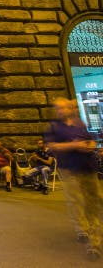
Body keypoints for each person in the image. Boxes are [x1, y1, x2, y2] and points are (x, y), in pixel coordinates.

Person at [45, 97, 103, 260]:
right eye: (58, 108)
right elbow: (52, 146)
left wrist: (90, 146)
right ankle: (90, 237)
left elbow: (90, 141)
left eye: (64, 107)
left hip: (88, 168)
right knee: (77, 200)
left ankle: (91, 232)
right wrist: (74, 146)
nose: (61, 110)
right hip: (68, 170)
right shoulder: (53, 127)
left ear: (70, 108)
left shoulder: (79, 123)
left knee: (95, 201)